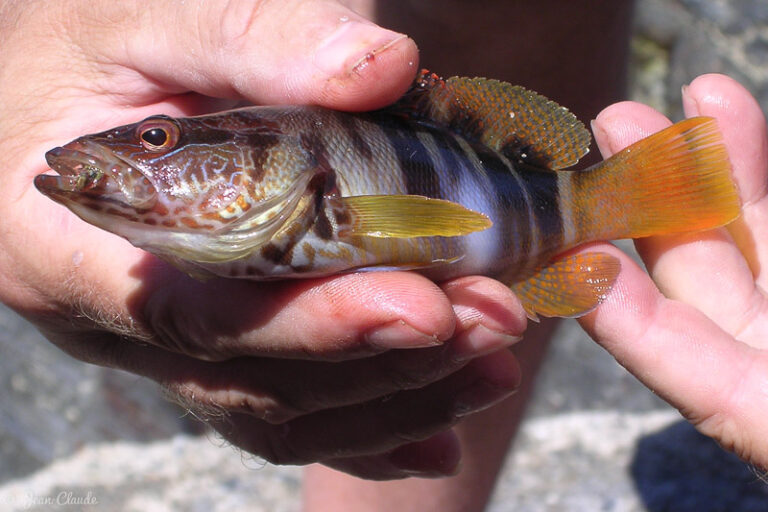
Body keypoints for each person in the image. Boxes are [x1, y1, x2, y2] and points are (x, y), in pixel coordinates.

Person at [1, 1, 766, 510]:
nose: (142, 156)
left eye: (158, 140)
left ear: (274, 165)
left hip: (516, 213)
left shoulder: (324, 192)